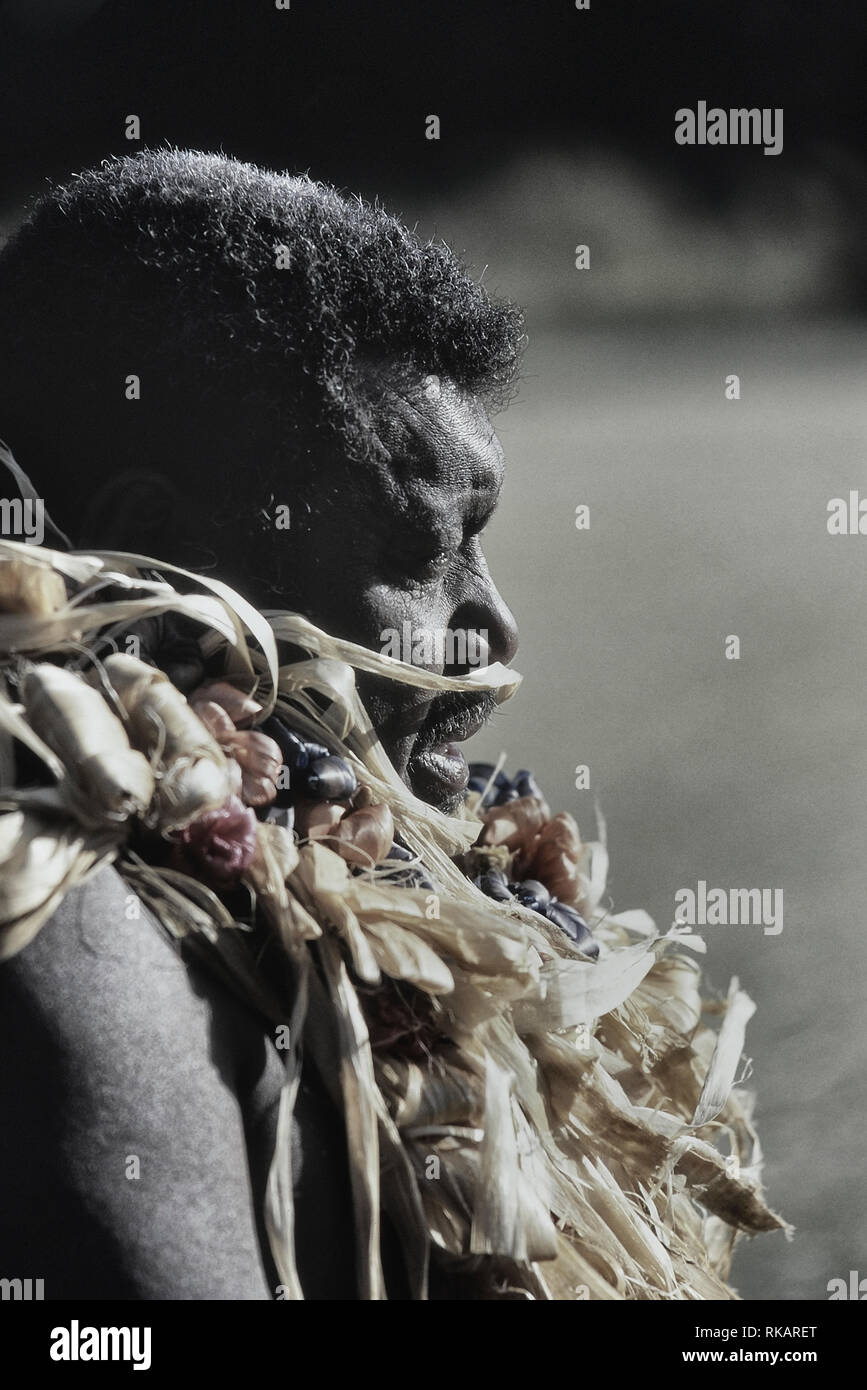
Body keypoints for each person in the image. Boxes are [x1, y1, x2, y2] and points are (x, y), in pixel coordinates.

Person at [0, 151, 781, 1301]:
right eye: (423, 550)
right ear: (170, 561)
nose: (498, 628)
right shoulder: (72, 920)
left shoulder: (319, 887)